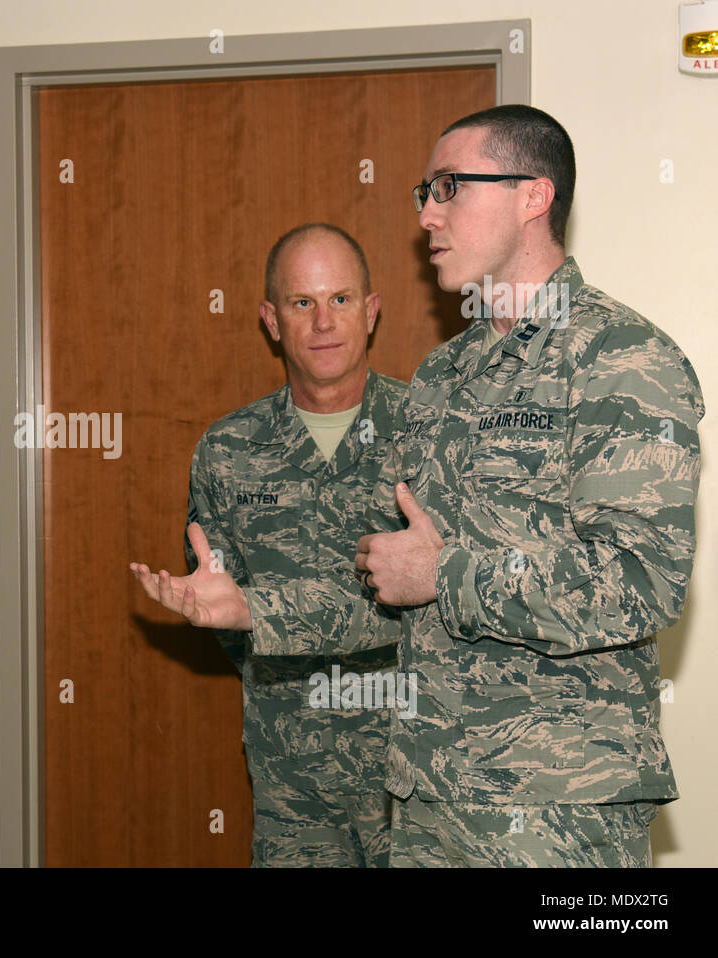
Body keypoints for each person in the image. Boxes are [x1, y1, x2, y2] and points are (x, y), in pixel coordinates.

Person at [356, 105, 704, 867]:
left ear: (532, 196)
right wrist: (257, 609)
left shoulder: (624, 360)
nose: (426, 215)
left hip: (559, 812)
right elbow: (395, 580)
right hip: (428, 798)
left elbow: (641, 582)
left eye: (449, 187)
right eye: (424, 191)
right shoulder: (442, 376)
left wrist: (442, 575)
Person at [131, 224, 405, 866]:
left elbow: (444, 603)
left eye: (340, 299)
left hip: (417, 773)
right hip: (293, 786)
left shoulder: (431, 435)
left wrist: (271, 616)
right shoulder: (228, 451)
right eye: (301, 303)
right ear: (270, 320)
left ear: (371, 310)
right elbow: (224, 610)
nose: (323, 321)